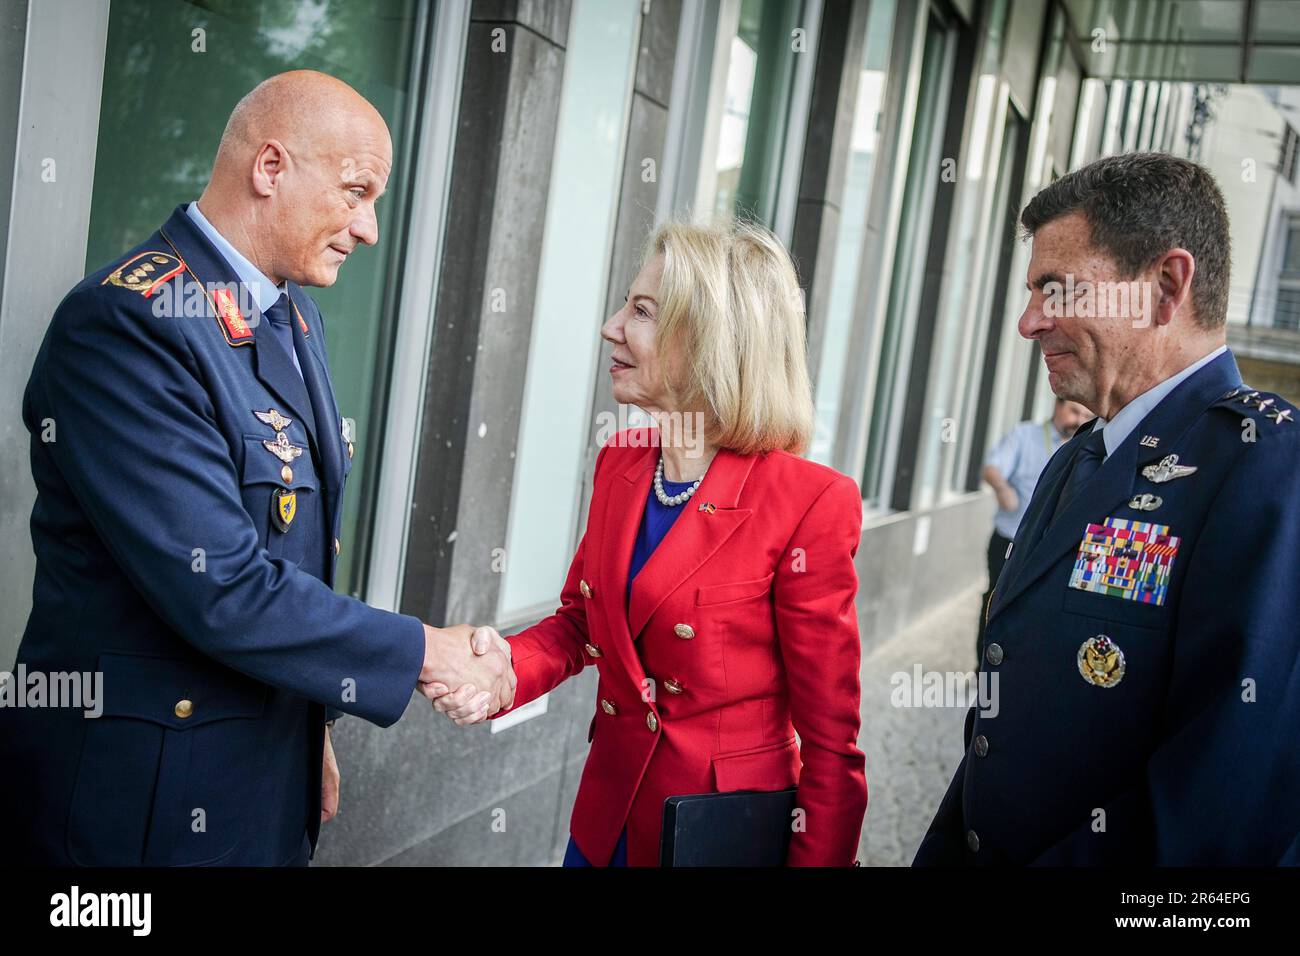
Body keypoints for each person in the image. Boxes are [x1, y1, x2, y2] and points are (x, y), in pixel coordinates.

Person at [0, 71, 513, 866]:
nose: (368, 229)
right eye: (355, 192)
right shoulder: (129, 323)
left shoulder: (286, 311)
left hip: (260, 776)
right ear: (270, 168)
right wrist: (426, 652)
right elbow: (223, 587)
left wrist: (317, 721)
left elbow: (296, 553)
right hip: (143, 803)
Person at [425, 221, 869, 866]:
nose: (611, 326)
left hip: (717, 835)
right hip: (609, 820)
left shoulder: (809, 501)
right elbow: (582, 622)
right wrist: (504, 671)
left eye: (641, 311)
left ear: (710, 338)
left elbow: (832, 741)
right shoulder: (624, 460)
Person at [915, 152, 1300, 866]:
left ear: (1164, 287)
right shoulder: (1077, 457)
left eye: (1057, 291)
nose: (1030, 322)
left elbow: (1217, 806)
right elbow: (1002, 717)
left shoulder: (1269, 466)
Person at [977, 398, 1090, 656]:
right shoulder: (1024, 435)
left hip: (1050, 549)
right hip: (1010, 541)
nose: (1078, 421)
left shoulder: (1086, 444)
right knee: (996, 602)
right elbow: (992, 468)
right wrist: (1003, 489)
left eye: (1085, 415)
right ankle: (983, 668)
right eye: (1074, 411)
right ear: (1057, 406)